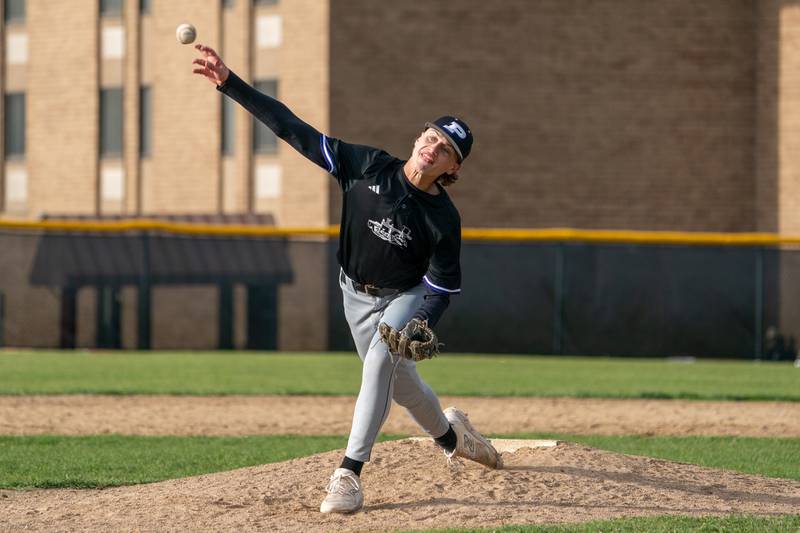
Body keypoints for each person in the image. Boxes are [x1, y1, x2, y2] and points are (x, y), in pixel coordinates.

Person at [192, 44, 502, 514]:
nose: (433, 147)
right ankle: (453, 436)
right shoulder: (368, 166)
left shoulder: (443, 217)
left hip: (403, 295)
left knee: (380, 363)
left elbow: (441, 286)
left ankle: (348, 474)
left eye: (446, 149)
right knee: (401, 386)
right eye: (432, 136)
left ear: (453, 168)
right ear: (419, 136)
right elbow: (294, 130)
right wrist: (230, 83)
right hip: (353, 293)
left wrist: (420, 321)